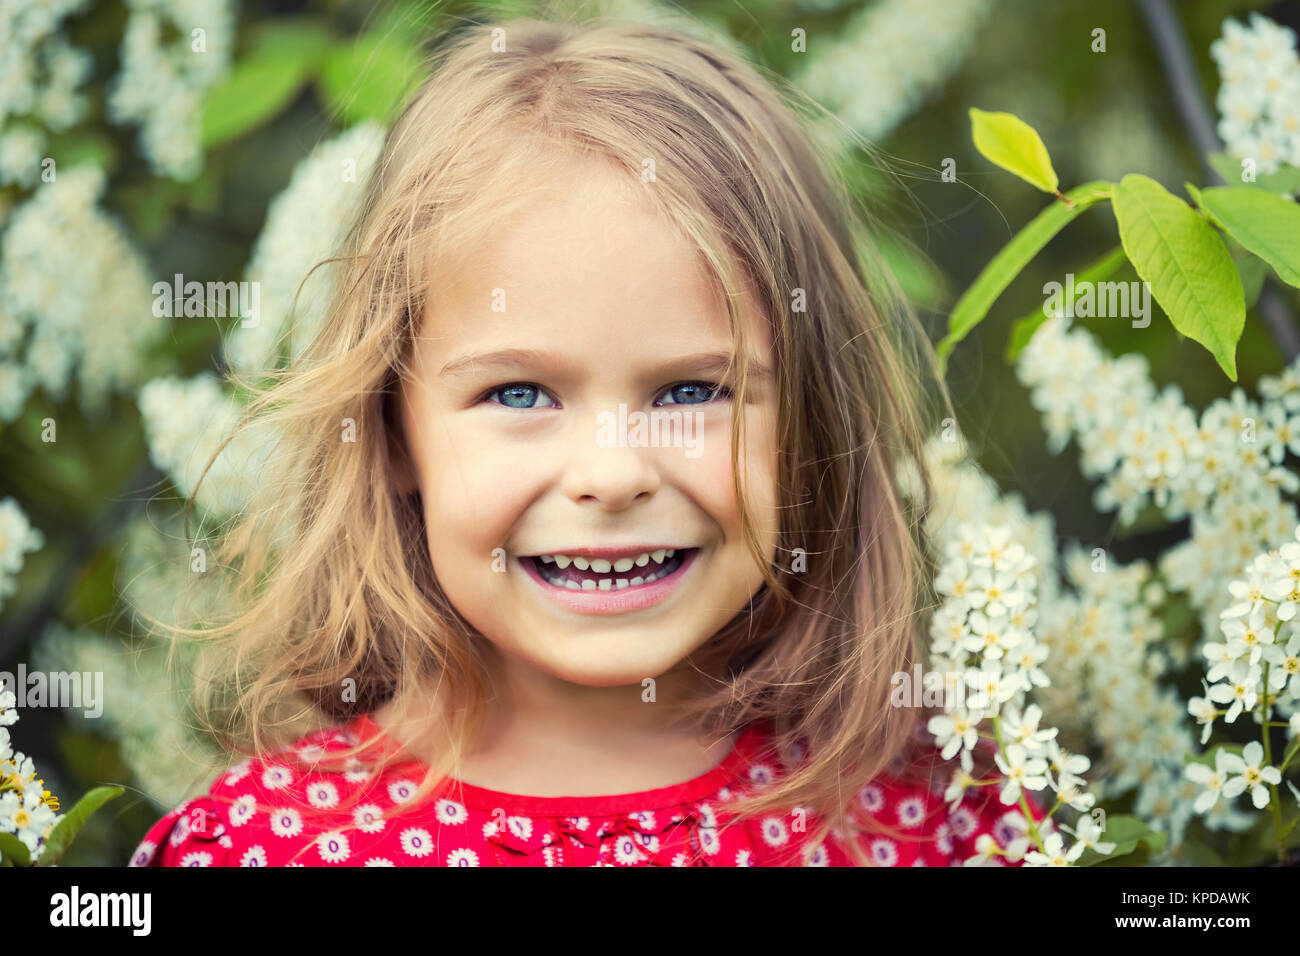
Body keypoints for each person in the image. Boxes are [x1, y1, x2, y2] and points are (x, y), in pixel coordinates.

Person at [130, 14, 1048, 867]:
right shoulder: (260, 847)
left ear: (808, 419)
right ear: (392, 431)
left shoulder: (947, 817)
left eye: (693, 390)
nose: (611, 476)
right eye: (519, 392)